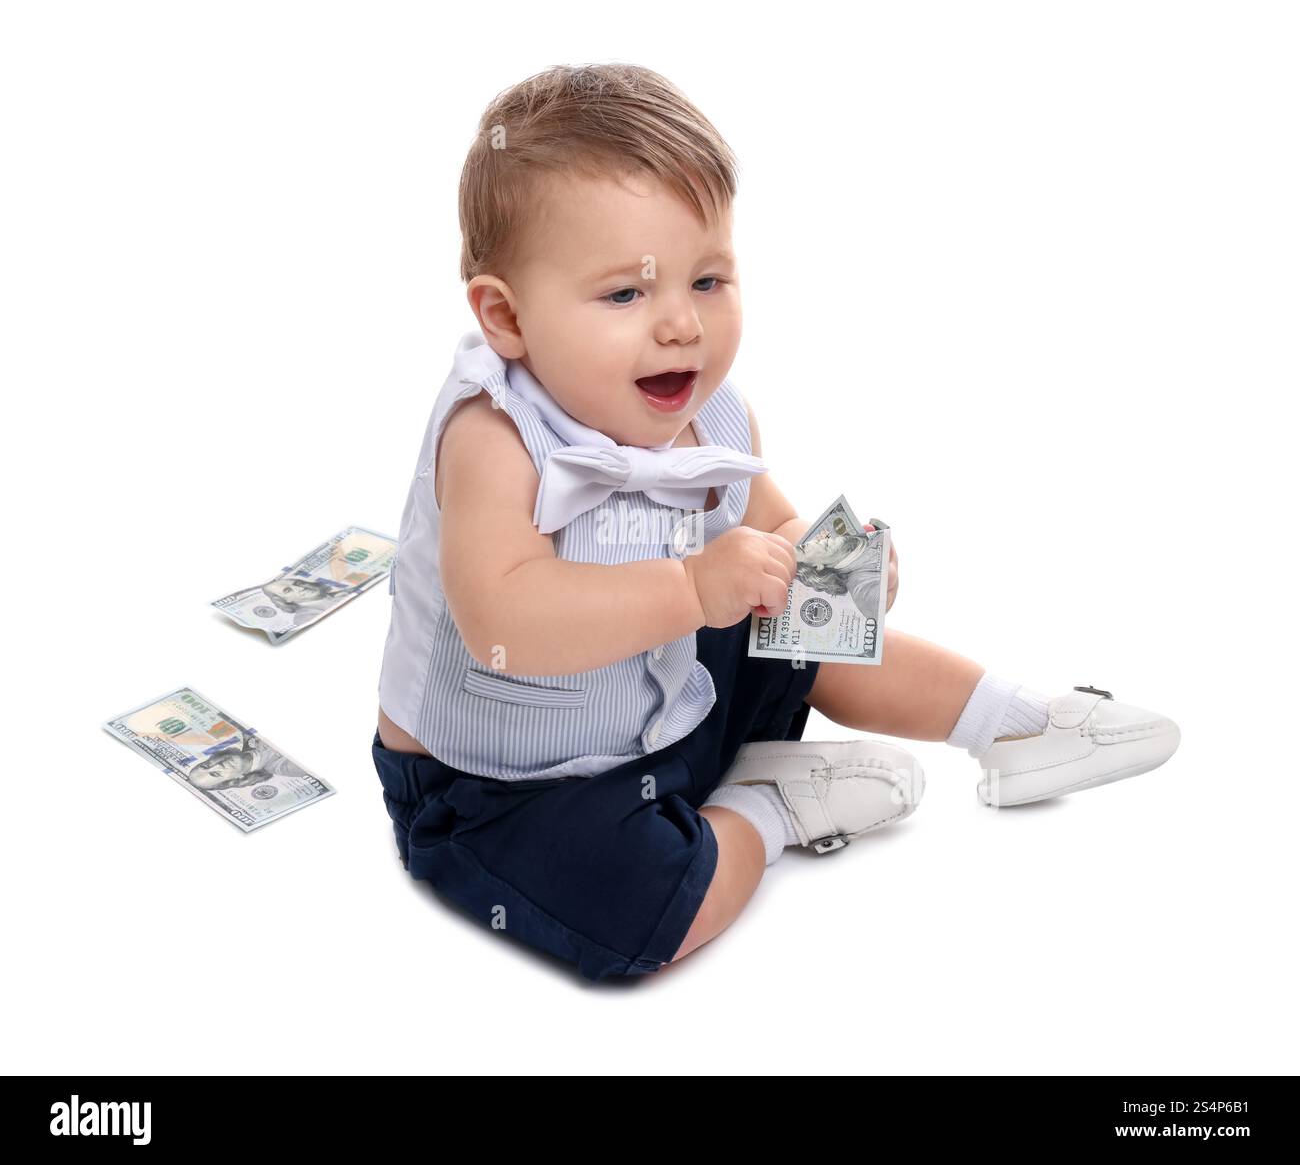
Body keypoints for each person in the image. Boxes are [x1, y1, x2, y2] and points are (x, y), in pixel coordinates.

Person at [371, 63, 1180, 982]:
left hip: (671, 707)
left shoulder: (712, 413)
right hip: (509, 787)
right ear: (507, 317)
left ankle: (1016, 723)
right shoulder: (493, 442)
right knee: (646, 916)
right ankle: (763, 809)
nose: (682, 325)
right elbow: (504, 621)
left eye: (707, 279)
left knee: (799, 623)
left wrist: (822, 567)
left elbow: (772, 525)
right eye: (626, 295)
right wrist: (689, 587)